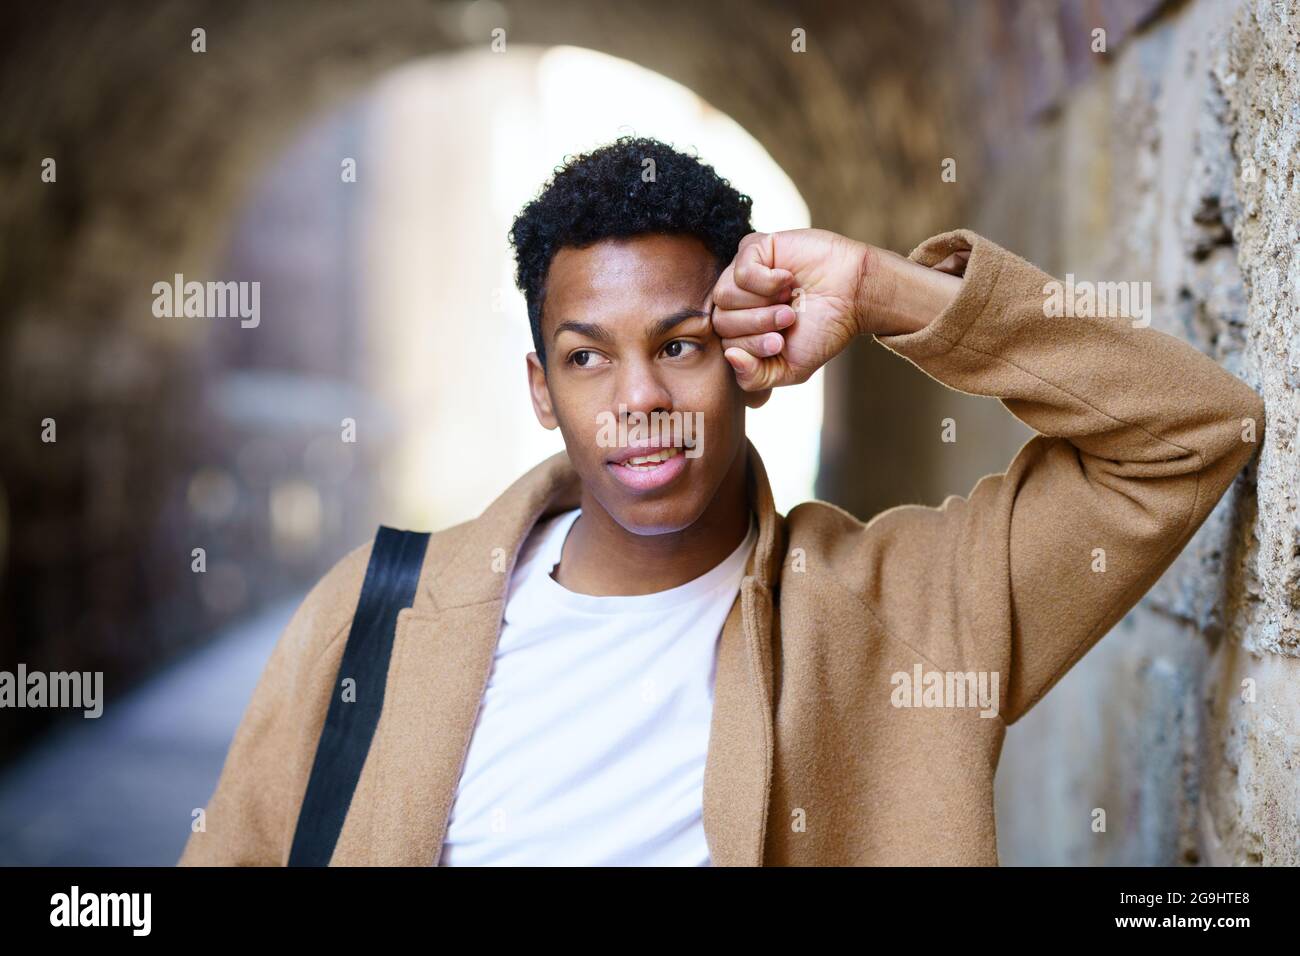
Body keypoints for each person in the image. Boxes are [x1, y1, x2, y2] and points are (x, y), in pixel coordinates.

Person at [178, 135, 1264, 866]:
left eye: (680, 343)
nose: (640, 396)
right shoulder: (375, 616)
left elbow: (1187, 429)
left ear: (746, 354)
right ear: (541, 390)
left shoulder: (909, 612)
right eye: (586, 356)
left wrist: (888, 288)